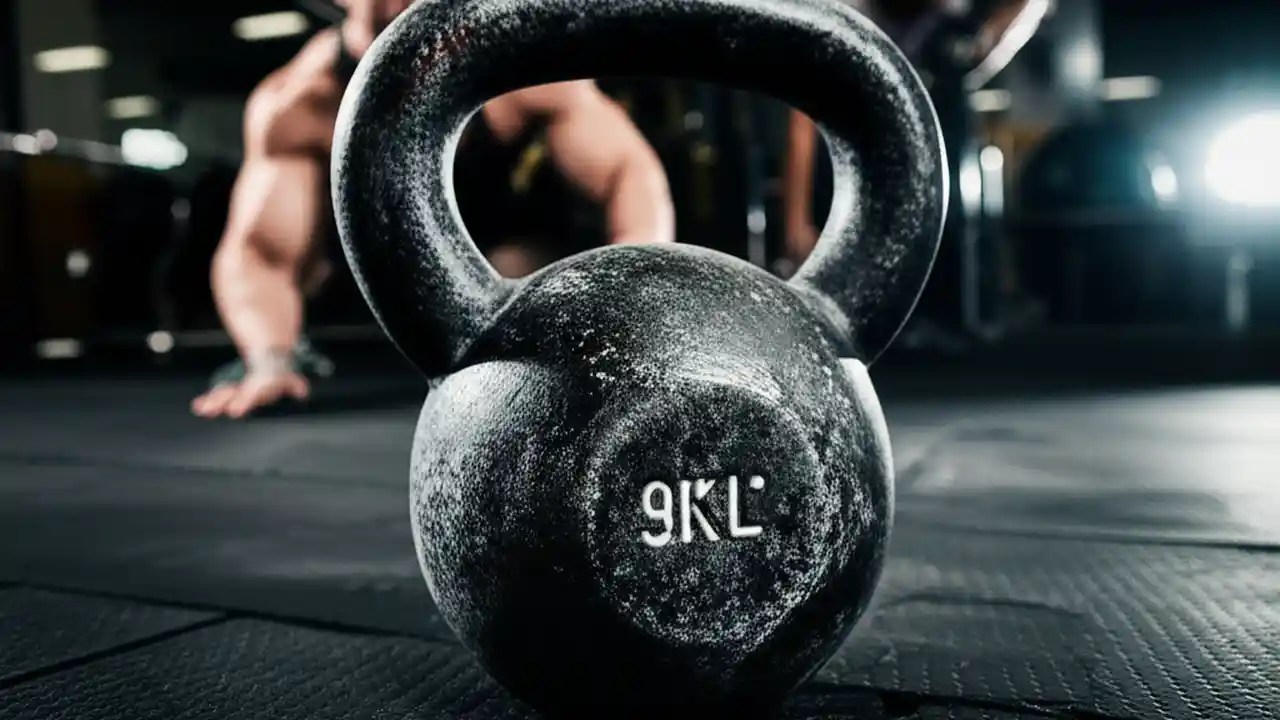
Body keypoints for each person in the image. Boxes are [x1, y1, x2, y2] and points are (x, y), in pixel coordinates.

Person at [192, 0, 675, 420]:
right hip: (382, 286)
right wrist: (269, 358)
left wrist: (632, 317)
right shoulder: (303, 102)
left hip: (508, 272)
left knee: (515, 264)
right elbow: (258, 254)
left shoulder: (514, 72)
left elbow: (629, 175)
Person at [780, 0, 1047, 278]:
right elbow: (802, 120)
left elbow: (1007, 23)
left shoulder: (950, 28)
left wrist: (988, 40)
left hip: (935, 196)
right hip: (855, 188)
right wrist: (796, 221)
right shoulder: (840, 15)